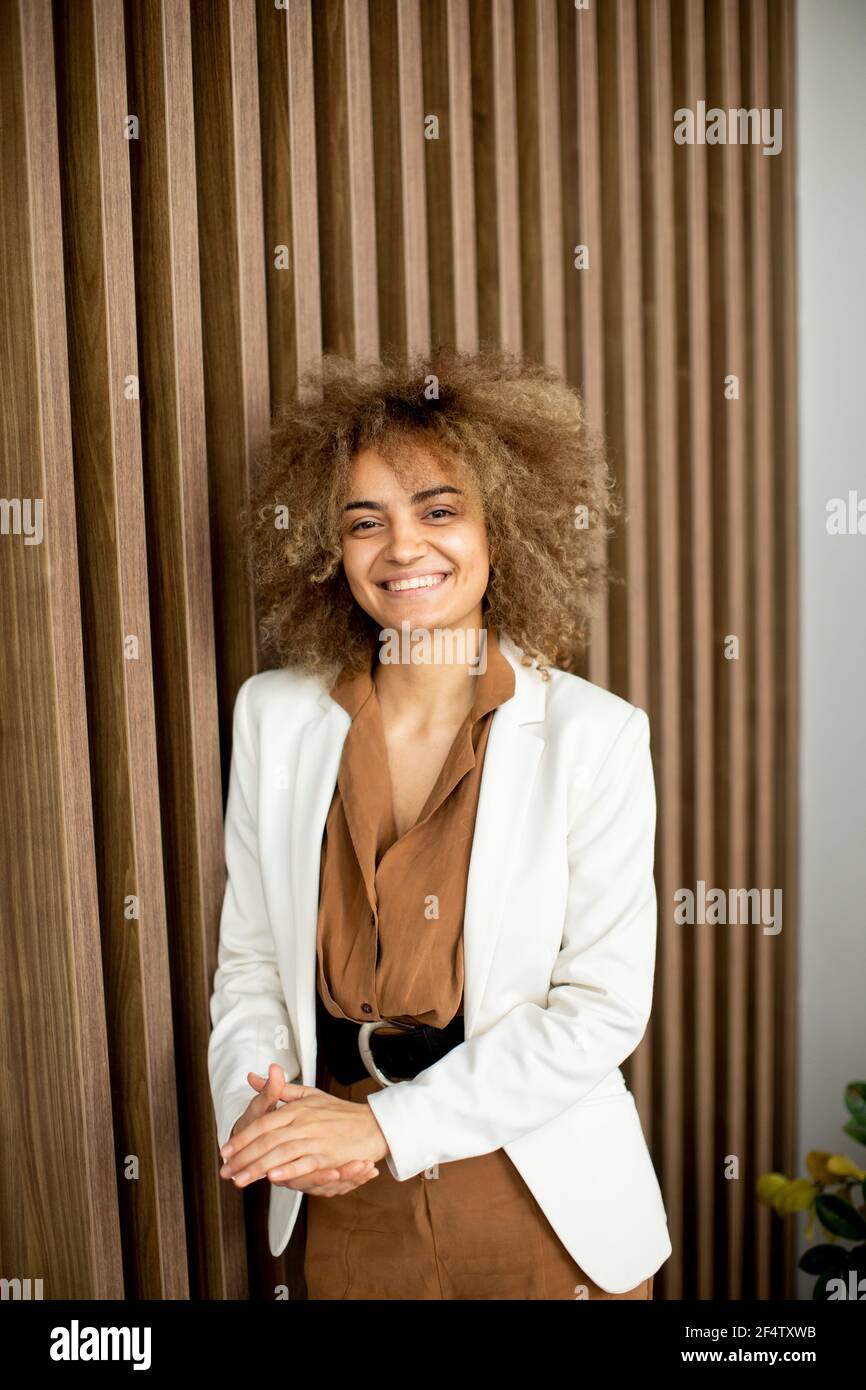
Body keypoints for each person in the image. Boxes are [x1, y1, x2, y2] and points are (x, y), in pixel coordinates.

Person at [208, 345, 672, 1299]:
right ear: (331, 552)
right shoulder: (275, 715)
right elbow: (251, 963)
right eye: (364, 521)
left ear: (505, 528)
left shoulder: (598, 737)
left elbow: (600, 1011)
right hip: (342, 1194)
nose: (403, 548)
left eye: (440, 510)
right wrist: (270, 1117)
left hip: (538, 1195)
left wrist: (389, 1125)